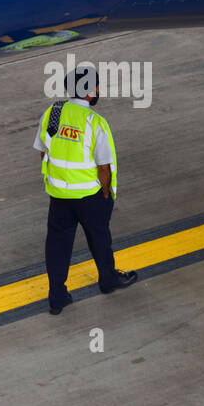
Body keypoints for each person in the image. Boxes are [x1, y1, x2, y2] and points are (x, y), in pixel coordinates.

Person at [33, 65, 138, 314]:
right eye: (98, 86)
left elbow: (42, 150)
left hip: (59, 195)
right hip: (90, 195)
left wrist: (57, 179)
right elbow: (104, 166)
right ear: (90, 91)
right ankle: (108, 281)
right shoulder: (94, 121)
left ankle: (57, 297)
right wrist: (105, 191)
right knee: (99, 238)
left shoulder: (53, 112)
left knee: (58, 244)